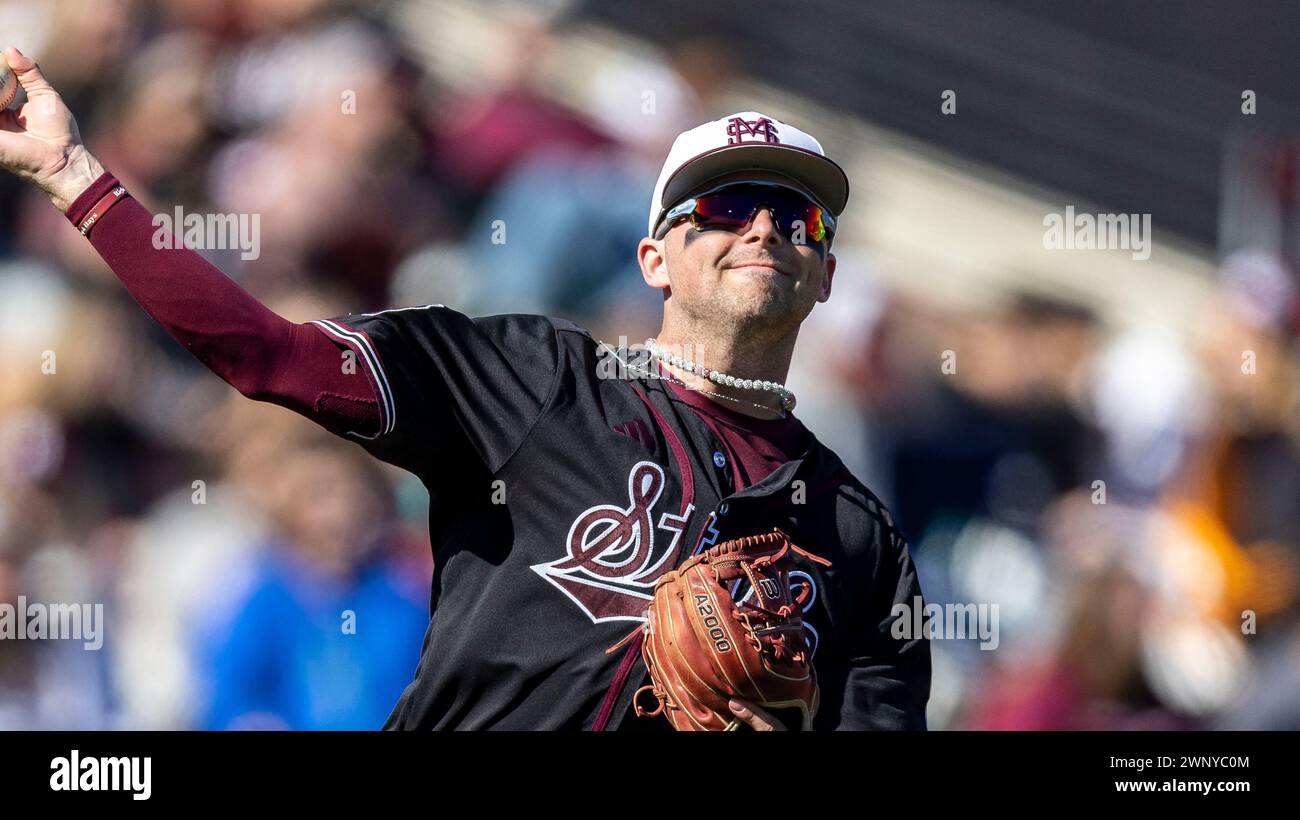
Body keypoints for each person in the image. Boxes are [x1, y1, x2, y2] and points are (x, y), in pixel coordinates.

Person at [0, 46, 930, 730]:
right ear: (654, 259)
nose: (765, 229)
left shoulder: (857, 537)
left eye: (797, 216)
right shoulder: (534, 383)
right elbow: (262, 354)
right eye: (727, 207)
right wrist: (74, 177)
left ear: (827, 276)